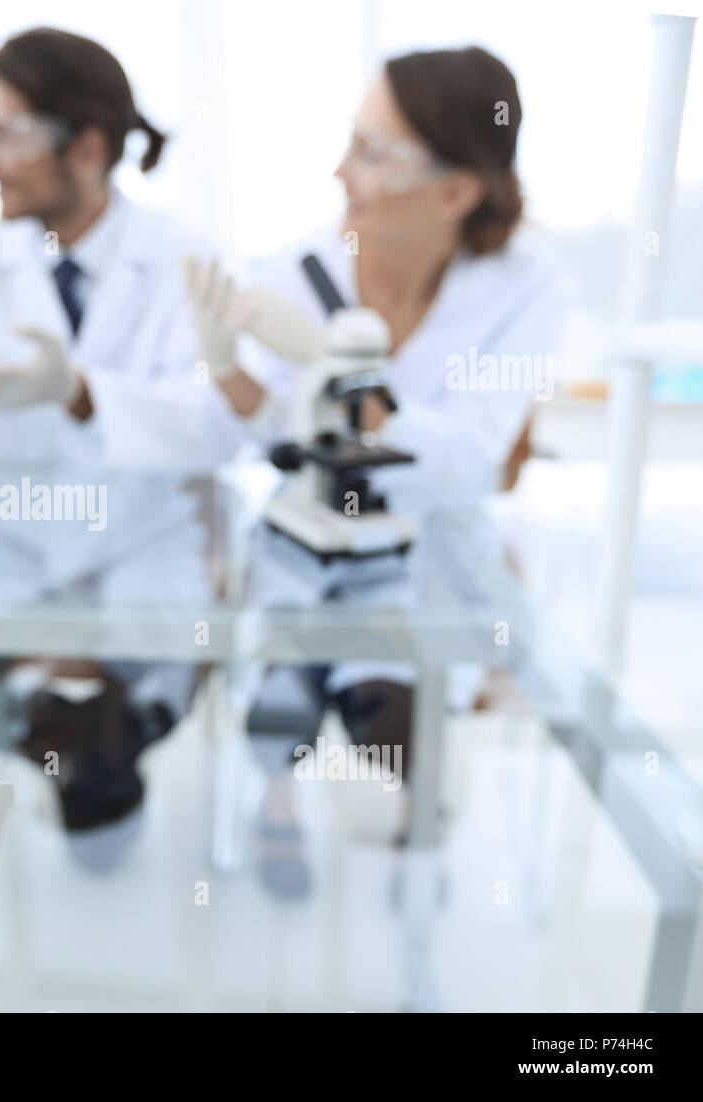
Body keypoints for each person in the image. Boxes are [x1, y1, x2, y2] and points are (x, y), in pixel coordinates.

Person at [191, 46, 573, 898]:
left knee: (393, 732)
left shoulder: (527, 284)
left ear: (456, 190)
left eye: (373, 152)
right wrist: (227, 368)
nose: (340, 171)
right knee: (280, 699)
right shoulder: (295, 269)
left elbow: (472, 461)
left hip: (428, 550)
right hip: (308, 524)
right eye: (351, 141)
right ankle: (276, 803)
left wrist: (342, 373)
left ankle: (409, 863)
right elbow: (269, 438)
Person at [0, 27, 248, 862]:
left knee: (112, 674)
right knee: (70, 687)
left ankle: (83, 718)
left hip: (148, 546)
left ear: (89, 146)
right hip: (22, 549)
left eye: (9, 133)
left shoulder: (186, 259)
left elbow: (214, 424)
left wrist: (80, 394)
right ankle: (87, 718)